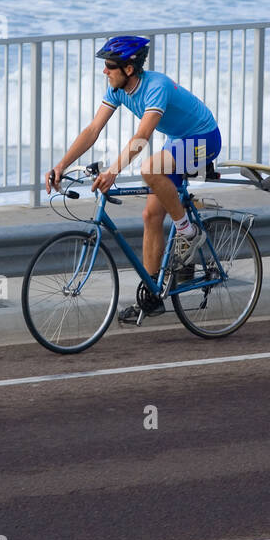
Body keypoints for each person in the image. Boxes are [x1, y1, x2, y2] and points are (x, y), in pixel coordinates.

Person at [45, 35, 222, 324]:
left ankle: (190, 233)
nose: (104, 71)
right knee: (150, 215)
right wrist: (61, 165)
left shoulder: (156, 87)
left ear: (129, 69)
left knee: (150, 169)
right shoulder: (117, 89)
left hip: (205, 139)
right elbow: (92, 130)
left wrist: (112, 171)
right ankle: (152, 299)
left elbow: (141, 138)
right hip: (178, 140)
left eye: (110, 66)